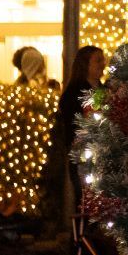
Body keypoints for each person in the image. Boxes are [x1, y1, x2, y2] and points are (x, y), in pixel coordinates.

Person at [47, 45, 106, 236]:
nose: (102, 64)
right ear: (85, 64)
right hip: (85, 157)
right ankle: (83, 246)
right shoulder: (74, 93)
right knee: (86, 204)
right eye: (97, 60)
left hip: (104, 155)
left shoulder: (103, 90)